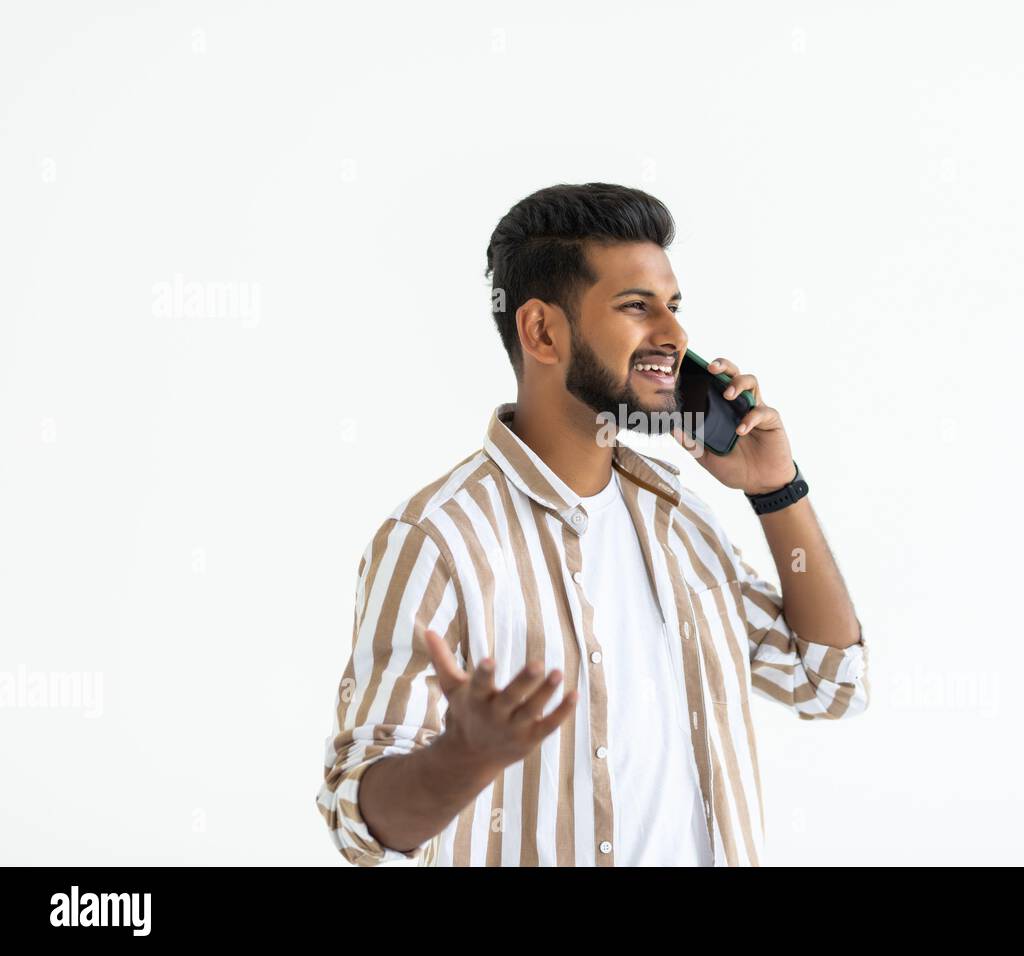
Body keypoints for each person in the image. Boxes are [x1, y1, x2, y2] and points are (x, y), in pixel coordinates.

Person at [314, 183, 870, 867]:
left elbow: (831, 683)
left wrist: (776, 490)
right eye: (638, 307)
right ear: (543, 332)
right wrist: (463, 756)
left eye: (673, 307)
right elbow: (359, 826)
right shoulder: (439, 539)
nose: (674, 335)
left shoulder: (678, 520)